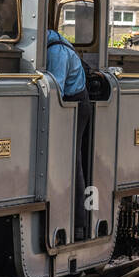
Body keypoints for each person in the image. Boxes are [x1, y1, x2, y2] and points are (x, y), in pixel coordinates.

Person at [46, 28, 92, 241]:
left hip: (74, 105)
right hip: (68, 103)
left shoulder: (56, 52)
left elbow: (56, 90)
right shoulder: (54, 45)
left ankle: (79, 224)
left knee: (73, 161)